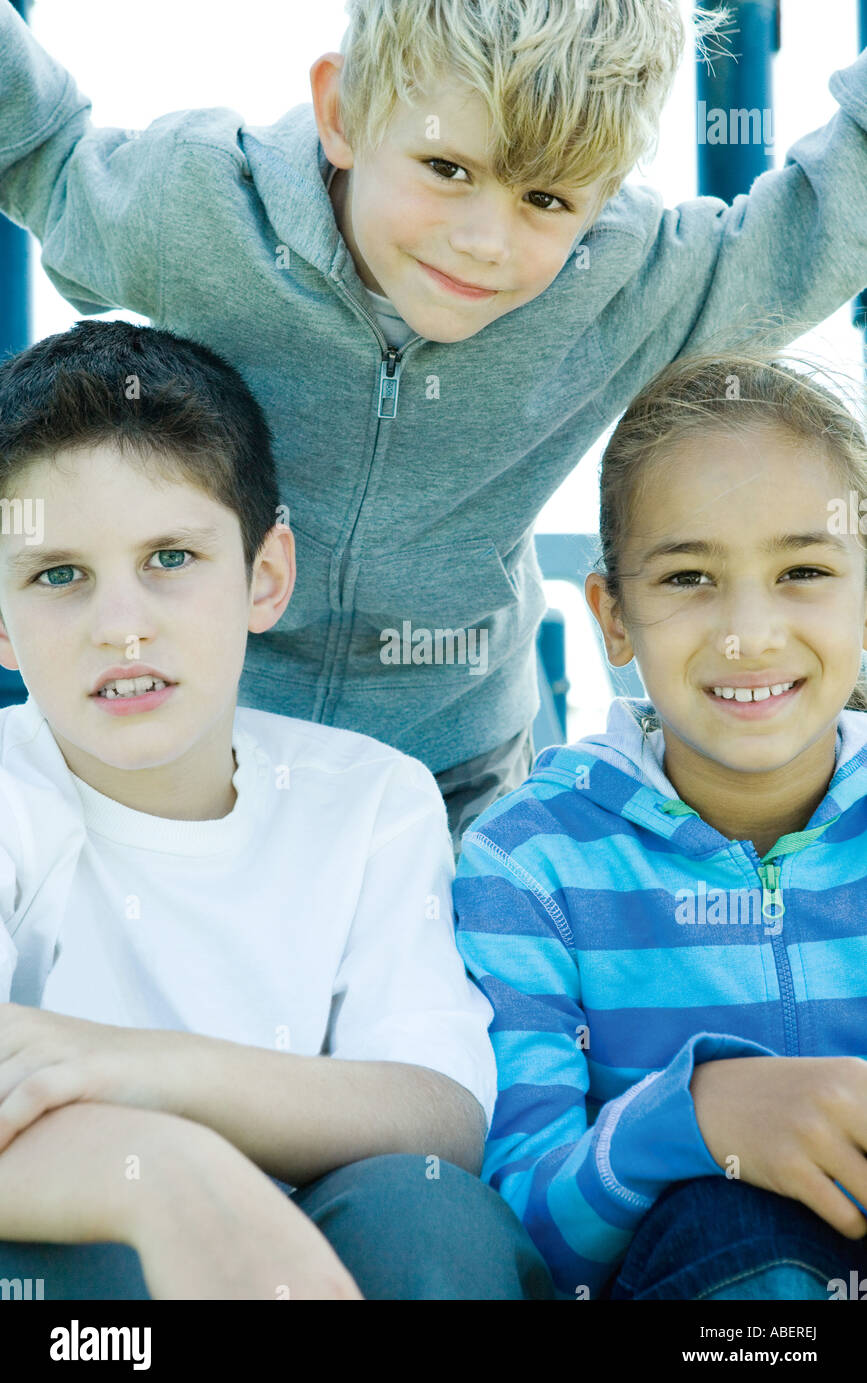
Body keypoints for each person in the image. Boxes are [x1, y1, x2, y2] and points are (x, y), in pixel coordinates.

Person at [3, 2, 867, 859]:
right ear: (341, 115)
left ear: (600, 198)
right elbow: (45, 153)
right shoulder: (201, 207)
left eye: (545, 198)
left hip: (448, 768)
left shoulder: (622, 276)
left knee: (450, 989)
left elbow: (802, 236)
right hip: (192, 744)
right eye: (446, 168)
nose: (484, 241)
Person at [0, 319, 554, 1301]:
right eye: (58, 574)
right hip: (88, 1248)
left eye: (171, 557)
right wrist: (173, 1177)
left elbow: (438, 1113)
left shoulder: (372, 797)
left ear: (266, 574)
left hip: (319, 1250)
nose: (121, 624)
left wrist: (137, 1070)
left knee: (429, 1219)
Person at [452, 342, 867, 1301]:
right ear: (613, 616)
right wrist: (696, 1119)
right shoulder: (528, 864)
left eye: (803, 569)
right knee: (728, 1216)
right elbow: (522, 1232)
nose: (747, 633)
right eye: (687, 579)